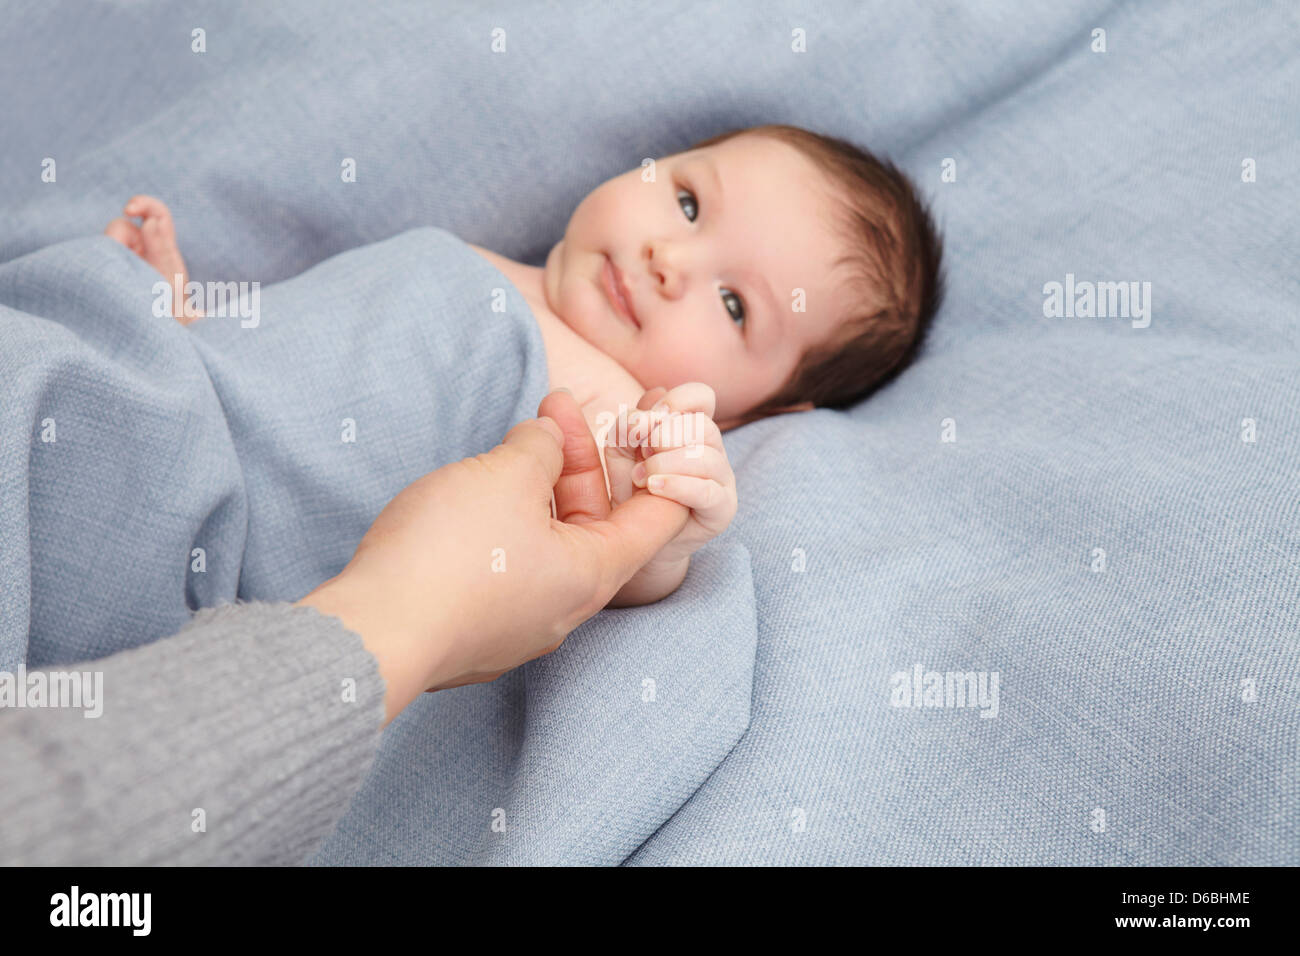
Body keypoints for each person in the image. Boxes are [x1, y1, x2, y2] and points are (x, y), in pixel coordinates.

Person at [0, 389, 689, 865]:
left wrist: (656, 543)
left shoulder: (607, 389)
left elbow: (585, 564)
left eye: (733, 304)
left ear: (754, 412)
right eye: (687, 217)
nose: (668, 262)